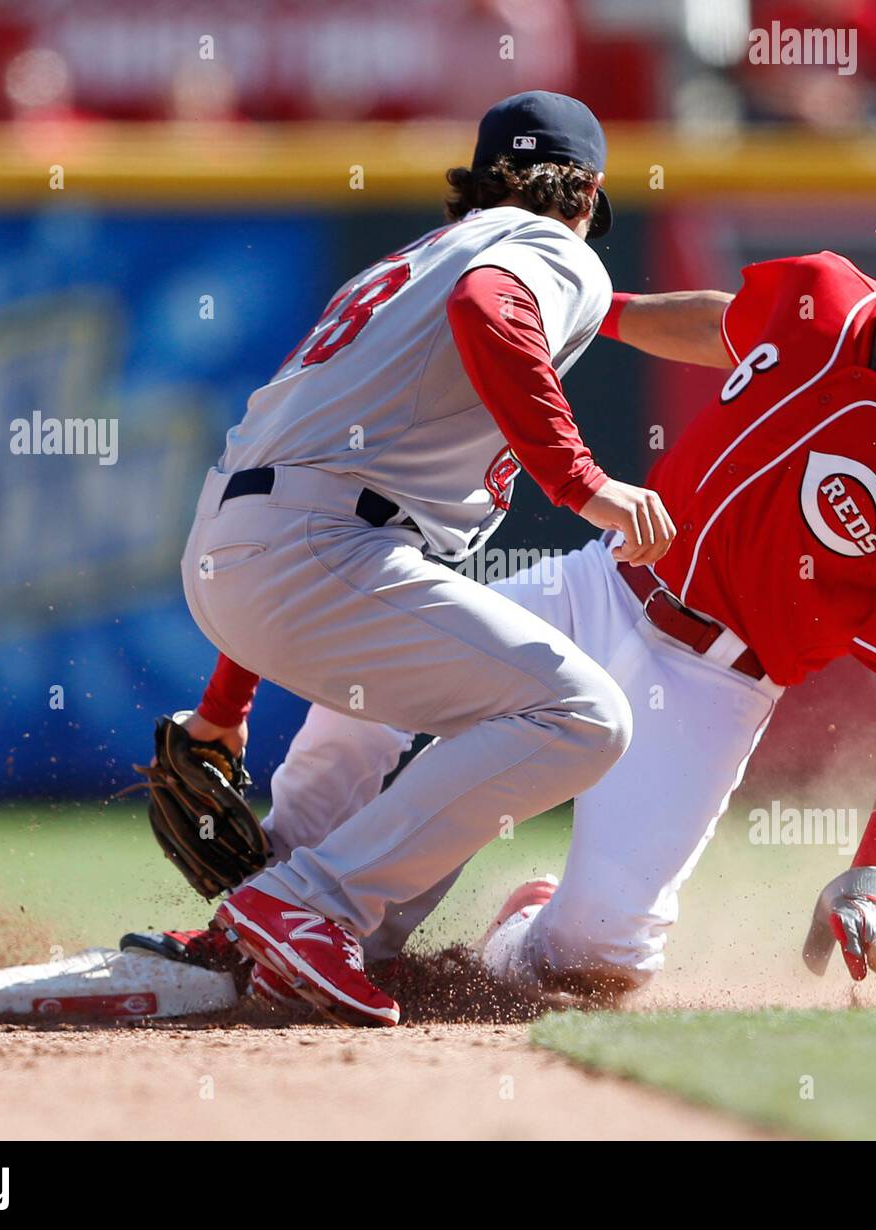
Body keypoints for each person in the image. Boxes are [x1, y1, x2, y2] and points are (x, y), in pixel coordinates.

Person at [139, 164, 876, 1013]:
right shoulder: (821, 294)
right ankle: (280, 907)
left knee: (601, 958)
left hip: (717, 682)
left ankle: (509, 940)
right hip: (603, 587)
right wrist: (586, 305)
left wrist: (872, 871)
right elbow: (716, 322)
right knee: (371, 691)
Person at [169, 90, 674, 1026]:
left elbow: (307, 465)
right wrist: (583, 482)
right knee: (581, 716)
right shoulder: (548, 248)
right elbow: (497, 306)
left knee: (366, 720)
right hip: (317, 545)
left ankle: (285, 913)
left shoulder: (410, 264)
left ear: (477, 181)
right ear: (590, 194)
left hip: (248, 550)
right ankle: (306, 908)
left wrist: (222, 710)